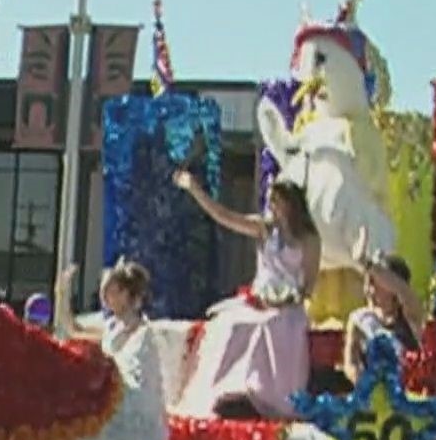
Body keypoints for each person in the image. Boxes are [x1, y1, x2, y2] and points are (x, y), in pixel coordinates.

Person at [172, 170, 321, 419]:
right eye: (270, 201)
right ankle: (228, 392)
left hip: (289, 307)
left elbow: (308, 287)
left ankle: (270, 397)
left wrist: (285, 298)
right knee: (230, 323)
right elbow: (223, 216)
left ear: (291, 203)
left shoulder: (308, 238)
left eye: (277, 201)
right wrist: (194, 189)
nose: (271, 206)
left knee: (270, 326)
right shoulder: (263, 229)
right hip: (259, 301)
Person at [67, 258, 165, 403]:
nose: (105, 298)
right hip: (113, 397)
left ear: (125, 294)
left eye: (110, 292)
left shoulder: (143, 332)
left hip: (132, 401)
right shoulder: (112, 325)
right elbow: (72, 328)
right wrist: (62, 293)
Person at [342, 227, 425, 385]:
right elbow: (350, 362)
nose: (369, 290)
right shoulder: (359, 319)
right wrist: (359, 378)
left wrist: (366, 263)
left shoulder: (410, 313)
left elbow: (403, 290)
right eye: (367, 283)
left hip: (411, 393)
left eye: (375, 283)